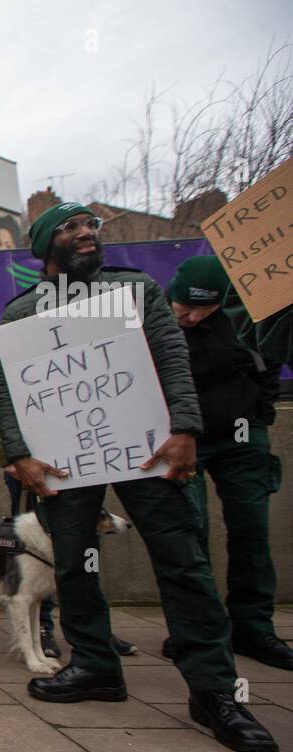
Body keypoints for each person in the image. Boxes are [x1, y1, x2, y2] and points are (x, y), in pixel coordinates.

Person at [0, 202, 277, 752]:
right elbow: (7, 387)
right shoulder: (22, 309)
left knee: (183, 561)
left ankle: (214, 690)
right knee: (73, 564)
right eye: (71, 228)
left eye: (90, 226)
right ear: (47, 245)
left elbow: (172, 357)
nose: (86, 235)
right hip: (64, 463)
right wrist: (19, 453)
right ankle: (95, 664)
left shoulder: (136, 290)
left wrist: (186, 426)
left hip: (147, 452)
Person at [159, 256, 291, 670]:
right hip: (182, 439)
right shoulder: (152, 322)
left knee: (251, 531)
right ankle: (197, 631)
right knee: (188, 536)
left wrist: (258, 417)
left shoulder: (246, 320)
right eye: (186, 308)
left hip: (240, 435)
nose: (193, 317)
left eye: (205, 310)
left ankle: (254, 627)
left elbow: (268, 364)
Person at [0, 334, 137, 660]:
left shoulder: (84, 328)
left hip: (84, 457)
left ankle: (94, 628)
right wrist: (8, 455)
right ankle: (43, 626)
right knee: (30, 555)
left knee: (83, 548)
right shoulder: (12, 330)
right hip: (30, 463)